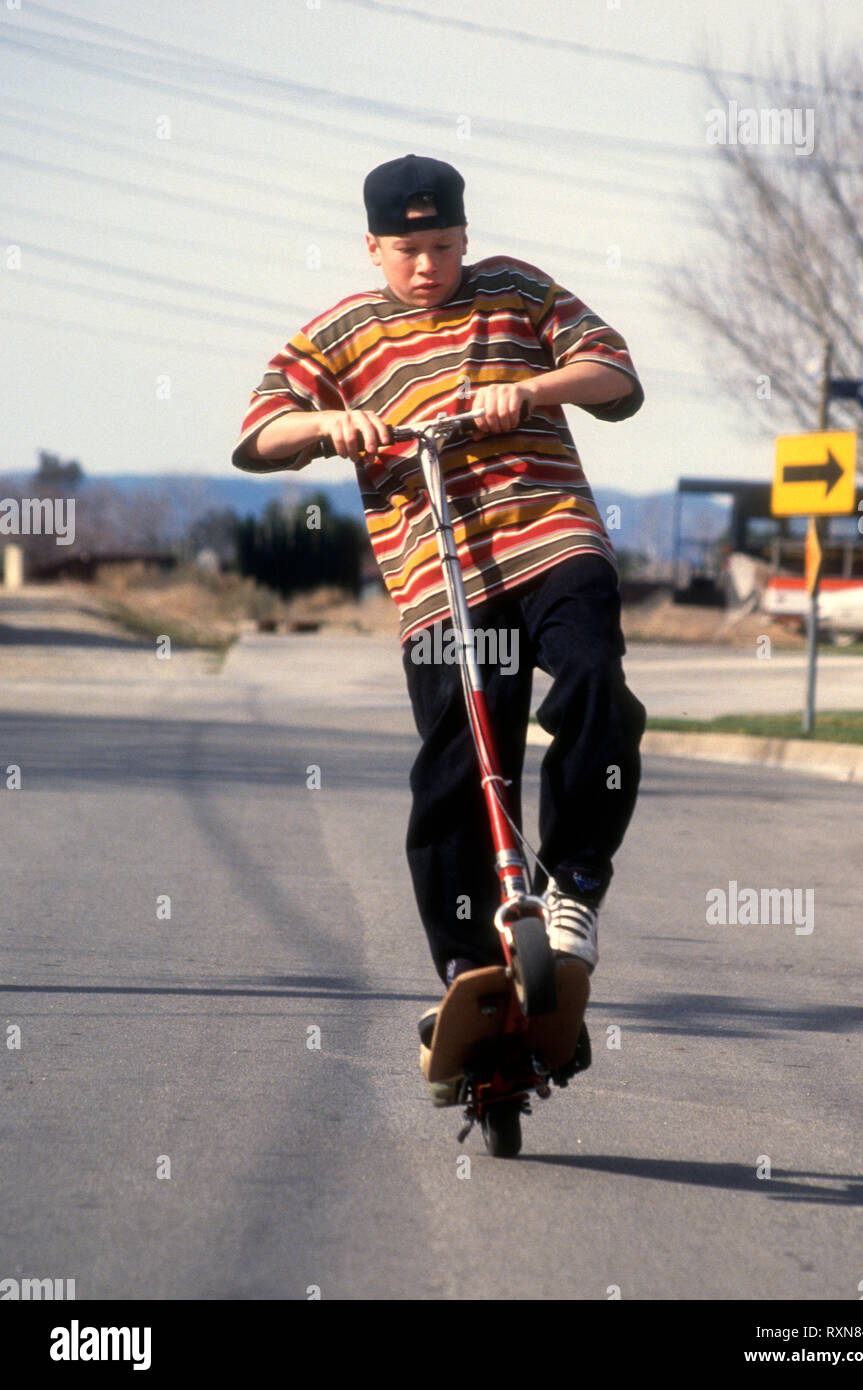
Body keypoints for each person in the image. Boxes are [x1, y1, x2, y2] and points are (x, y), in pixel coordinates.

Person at [233, 153, 647, 1039]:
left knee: (593, 686)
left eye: (446, 245)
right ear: (374, 247)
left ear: (466, 237)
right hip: (438, 578)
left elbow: (612, 374)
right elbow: (262, 431)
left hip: (550, 537)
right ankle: (466, 964)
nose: (430, 266)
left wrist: (526, 388)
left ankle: (572, 886)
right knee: (460, 764)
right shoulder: (341, 334)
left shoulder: (516, 290)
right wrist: (326, 424)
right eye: (410, 249)